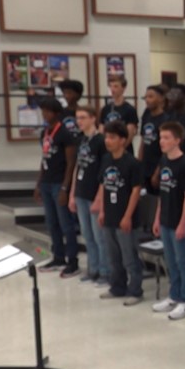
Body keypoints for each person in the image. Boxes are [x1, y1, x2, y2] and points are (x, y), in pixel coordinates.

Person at [151, 122, 185, 320]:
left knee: (183, 261)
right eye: (161, 137)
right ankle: (174, 295)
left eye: (167, 138)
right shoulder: (164, 160)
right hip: (166, 219)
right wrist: (157, 217)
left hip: (179, 221)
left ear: (177, 140)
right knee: (170, 260)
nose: (162, 141)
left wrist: (183, 223)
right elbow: (163, 192)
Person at [95, 121, 145, 306]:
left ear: (123, 140)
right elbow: (103, 185)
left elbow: (135, 191)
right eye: (106, 137)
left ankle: (135, 290)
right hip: (109, 215)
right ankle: (117, 287)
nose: (108, 141)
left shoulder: (132, 163)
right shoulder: (106, 159)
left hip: (126, 217)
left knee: (129, 256)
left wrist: (127, 216)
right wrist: (101, 210)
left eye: (112, 137)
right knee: (113, 256)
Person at [34, 97, 81, 278]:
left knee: (66, 224)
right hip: (47, 181)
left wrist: (65, 188)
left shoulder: (65, 134)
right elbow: (44, 158)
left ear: (56, 113)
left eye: (48, 111)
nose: (45, 115)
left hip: (59, 183)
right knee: (51, 223)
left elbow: (71, 162)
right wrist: (39, 183)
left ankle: (73, 261)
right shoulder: (45, 132)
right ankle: (58, 257)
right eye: (43, 111)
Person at [68, 106, 109, 284]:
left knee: (99, 236)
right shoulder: (81, 140)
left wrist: (100, 198)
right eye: (77, 118)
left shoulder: (101, 141)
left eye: (83, 117)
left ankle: (105, 271)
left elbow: (104, 172)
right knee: (87, 235)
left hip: (94, 193)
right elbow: (78, 167)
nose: (79, 121)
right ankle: (93, 269)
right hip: (81, 192)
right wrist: (72, 194)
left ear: (93, 119)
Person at [138, 84, 169, 188]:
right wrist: (139, 163)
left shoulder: (165, 119)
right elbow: (143, 140)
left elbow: (166, 150)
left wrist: (157, 172)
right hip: (145, 166)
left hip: (158, 165)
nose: (147, 100)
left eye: (151, 97)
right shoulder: (146, 114)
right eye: (146, 97)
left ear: (161, 99)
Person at [99, 76, 139, 149]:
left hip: (123, 148)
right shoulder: (105, 109)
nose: (112, 89)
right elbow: (101, 129)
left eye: (116, 86)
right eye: (110, 86)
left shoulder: (130, 109)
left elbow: (130, 133)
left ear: (123, 88)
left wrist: (120, 149)